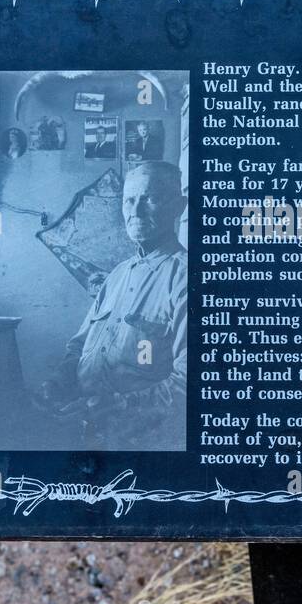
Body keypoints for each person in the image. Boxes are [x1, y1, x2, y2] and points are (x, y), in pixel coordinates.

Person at [38, 161, 187, 448]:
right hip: (87, 433)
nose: (136, 211)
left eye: (150, 199)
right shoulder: (117, 274)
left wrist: (117, 405)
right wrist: (59, 380)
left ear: (179, 207)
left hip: (142, 443)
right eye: (129, 200)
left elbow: (188, 384)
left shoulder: (186, 277)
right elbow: (79, 347)